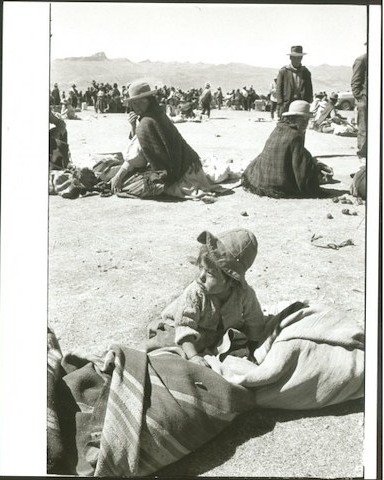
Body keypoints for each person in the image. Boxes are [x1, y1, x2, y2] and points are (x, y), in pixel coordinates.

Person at [146, 228, 266, 365]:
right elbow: (184, 326)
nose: (200, 276)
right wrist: (193, 357)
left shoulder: (244, 294)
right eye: (200, 268)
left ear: (232, 280)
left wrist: (254, 350)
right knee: (168, 348)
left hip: (212, 333)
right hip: (178, 327)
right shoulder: (195, 292)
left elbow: (255, 322)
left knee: (236, 347)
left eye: (210, 273)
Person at [107, 80, 226, 199]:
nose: (134, 107)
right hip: (192, 169)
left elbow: (136, 156)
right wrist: (134, 127)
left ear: (146, 101)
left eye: (137, 103)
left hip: (181, 176)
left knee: (130, 184)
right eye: (133, 103)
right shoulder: (158, 113)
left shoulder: (146, 122)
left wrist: (118, 177)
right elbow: (142, 144)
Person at [241, 100, 333, 198]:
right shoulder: (295, 136)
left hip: (260, 178)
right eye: (305, 120)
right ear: (298, 119)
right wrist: (314, 176)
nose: (306, 123)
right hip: (278, 183)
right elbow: (301, 168)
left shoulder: (278, 129)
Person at [276, 45, 313, 117]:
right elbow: (279, 89)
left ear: (302, 58)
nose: (297, 60)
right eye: (295, 58)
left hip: (301, 106)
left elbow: (309, 89)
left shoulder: (305, 72)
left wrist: (308, 103)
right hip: (286, 104)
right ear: (290, 58)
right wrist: (280, 104)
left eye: (299, 58)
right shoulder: (283, 71)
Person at [352, 45, 368, 158]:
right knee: (364, 130)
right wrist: (361, 98)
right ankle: (362, 156)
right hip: (365, 101)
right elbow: (355, 82)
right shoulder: (362, 60)